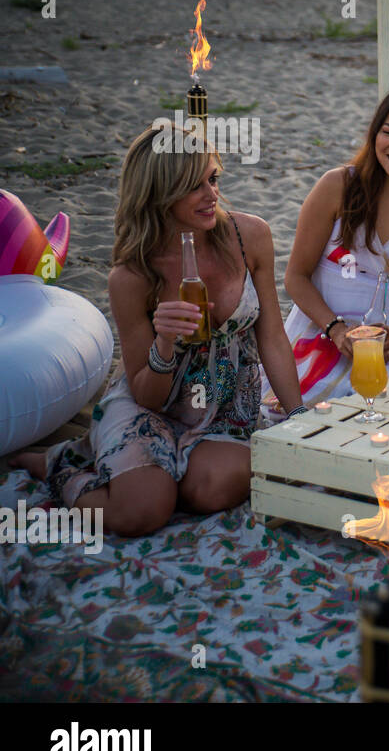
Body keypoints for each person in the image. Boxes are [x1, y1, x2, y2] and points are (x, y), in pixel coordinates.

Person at [8, 124, 303, 536]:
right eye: (192, 186)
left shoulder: (248, 235)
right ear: (159, 193)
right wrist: (165, 342)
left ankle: (140, 468)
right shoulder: (131, 276)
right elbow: (147, 393)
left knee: (209, 492)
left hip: (225, 406)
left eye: (213, 179)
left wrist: (299, 416)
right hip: (153, 406)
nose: (211, 195)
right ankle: (58, 464)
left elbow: (272, 336)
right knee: (142, 513)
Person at [270, 85, 389, 410]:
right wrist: (337, 330)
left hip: (386, 350)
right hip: (318, 336)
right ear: (375, 135)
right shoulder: (338, 186)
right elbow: (295, 278)